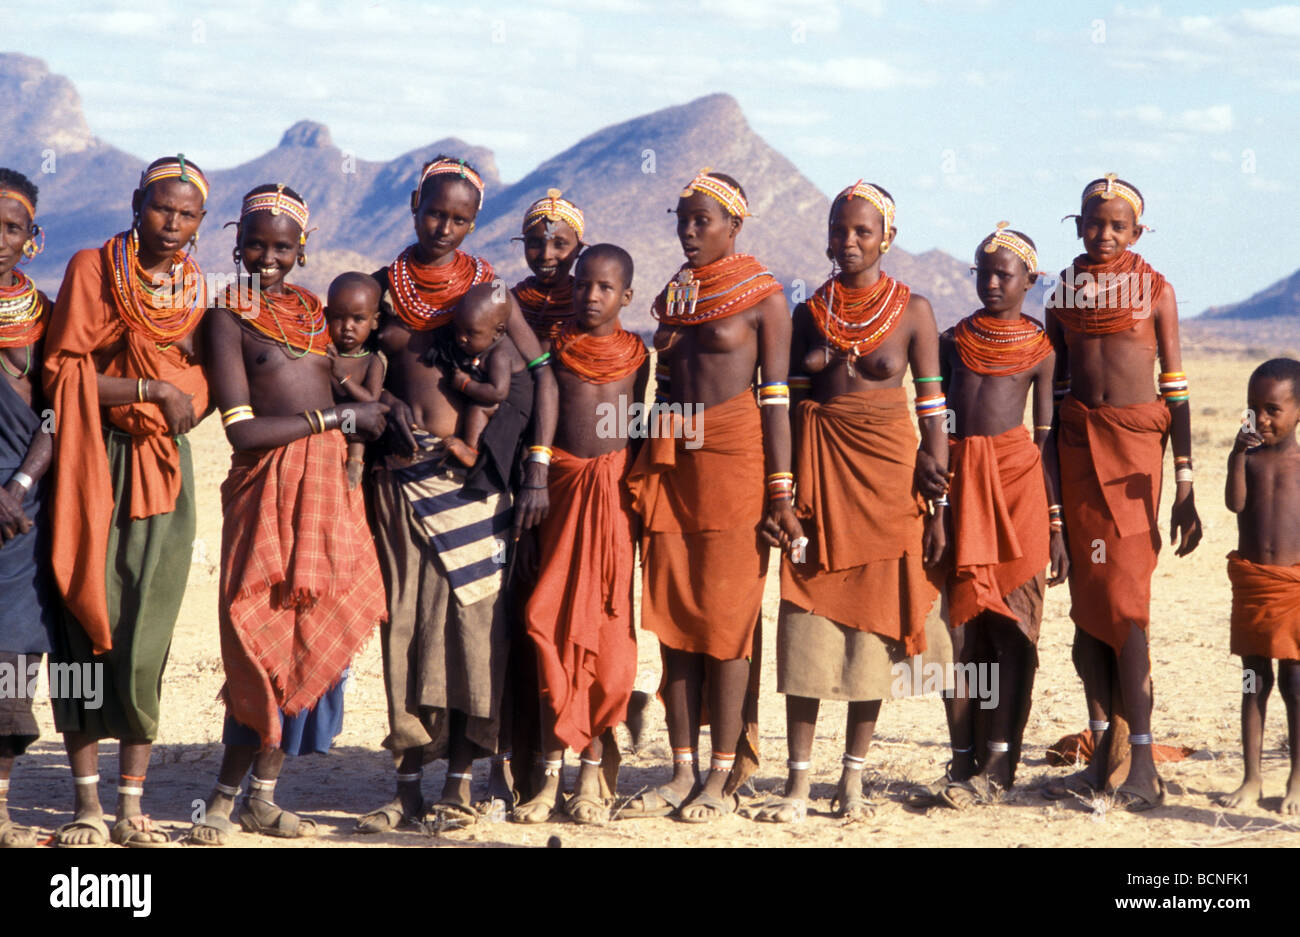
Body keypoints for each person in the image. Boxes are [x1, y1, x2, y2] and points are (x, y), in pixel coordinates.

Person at [186, 184, 389, 845]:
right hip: (265, 493)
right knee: (257, 645)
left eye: (281, 246)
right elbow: (242, 430)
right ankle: (221, 798)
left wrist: (378, 409)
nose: (266, 257)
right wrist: (335, 417)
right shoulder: (226, 318)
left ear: (301, 250)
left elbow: (350, 377)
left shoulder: (313, 311)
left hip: (326, 492)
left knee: (304, 638)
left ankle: (263, 799)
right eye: (254, 243)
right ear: (236, 241)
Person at [359, 156, 556, 828]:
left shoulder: (490, 291)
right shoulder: (382, 289)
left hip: (472, 489)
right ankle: (407, 782)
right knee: (406, 629)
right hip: (400, 482)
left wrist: (533, 467)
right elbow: (353, 367)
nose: (446, 227)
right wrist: (386, 401)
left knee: (474, 629)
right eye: (436, 211)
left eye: (463, 218)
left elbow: (541, 379)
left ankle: (461, 781)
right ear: (415, 202)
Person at [754, 180, 950, 824]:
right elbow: (781, 405)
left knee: (874, 630)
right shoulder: (807, 313)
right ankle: (797, 785)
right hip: (819, 484)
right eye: (839, 229)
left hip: (890, 486)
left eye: (862, 231)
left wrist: (938, 497)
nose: (848, 241)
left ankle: (854, 781)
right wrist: (782, 489)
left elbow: (932, 410)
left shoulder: (915, 311)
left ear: (886, 237)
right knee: (807, 621)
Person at [621, 169, 800, 822]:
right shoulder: (674, 294)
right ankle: (681, 768)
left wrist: (781, 491)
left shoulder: (764, 297)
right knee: (674, 616)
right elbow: (663, 386)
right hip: (675, 460)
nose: (690, 231)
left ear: (735, 226)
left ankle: (724, 774)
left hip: (736, 462)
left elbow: (777, 398)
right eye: (684, 220)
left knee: (726, 621)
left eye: (704, 221)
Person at [43, 155, 210, 847]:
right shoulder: (92, 266)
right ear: (137, 202)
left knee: (148, 630)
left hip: (165, 467)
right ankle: (86, 802)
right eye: (161, 208)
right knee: (83, 619)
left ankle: (131, 805)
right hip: (90, 457)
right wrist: (150, 392)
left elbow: (203, 374)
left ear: (200, 223)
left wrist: (185, 399)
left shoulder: (199, 286)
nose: (171, 223)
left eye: (187, 214)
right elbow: (64, 369)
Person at [1043, 174, 1202, 810]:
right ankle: (1103, 755)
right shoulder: (1062, 294)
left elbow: (1178, 389)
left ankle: (1144, 764)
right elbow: (1053, 397)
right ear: (1077, 223)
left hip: (1136, 459)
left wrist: (1184, 484)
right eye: (1092, 221)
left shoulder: (1156, 291)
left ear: (1137, 232)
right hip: (1079, 452)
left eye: (1117, 225)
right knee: (1089, 606)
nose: (1103, 234)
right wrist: (1052, 506)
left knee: (1127, 604)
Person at [512, 244, 647, 825]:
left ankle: (592, 773)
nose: (591, 296)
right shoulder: (554, 350)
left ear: (626, 296)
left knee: (607, 639)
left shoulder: (640, 356)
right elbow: (541, 415)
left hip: (614, 499)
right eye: (584, 285)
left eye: (605, 288)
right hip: (561, 496)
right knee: (552, 625)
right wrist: (537, 473)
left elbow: (639, 430)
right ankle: (547, 777)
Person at [934, 224, 1068, 808]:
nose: (990, 283)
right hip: (960, 487)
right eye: (982, 272)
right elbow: (935, 423)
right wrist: (936, 501)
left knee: (1012, 629)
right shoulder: (952, 341)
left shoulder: (1041, 350)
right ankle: (960, 757)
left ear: (1030, 281)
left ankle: (1000, 761)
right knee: (959, 631)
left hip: (1018, 491)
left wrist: (1057, 524)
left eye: (1003, 274)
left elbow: (1045, 439)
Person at [0, 169, 54, 848]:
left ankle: (1, 810)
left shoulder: (47, 317)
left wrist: (16, 489)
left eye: (10, 226)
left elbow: (56, 408)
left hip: (20, 515)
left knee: (11, 657)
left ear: (32, 238)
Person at [1221, 358, 1300, 816]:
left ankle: (1296, 778)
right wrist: (1235, 456)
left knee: (1295, 683)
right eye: (1254, 408)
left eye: (1273, 409)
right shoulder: (1247, 460)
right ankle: (1251, 778)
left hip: (1292, 587)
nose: (1262, 419)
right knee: (1254, 681)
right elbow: (1235, 505)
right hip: (1253, 583)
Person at [437, 286, 525, 469]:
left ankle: (472, 451)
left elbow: (498, 392)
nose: (461, 338)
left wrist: (465, 384)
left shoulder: (500, 354)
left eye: (471, 333)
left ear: (498, 331)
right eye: (458, 331)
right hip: (506, 406)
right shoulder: (487, 346)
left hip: (516, 410)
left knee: (479, 408)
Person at [324, 271, 386, 490]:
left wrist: (342, 376)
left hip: (355, 424)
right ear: (327, 316)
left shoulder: (371, 362)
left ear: (374, 321)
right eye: (339, 318)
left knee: (355, 428)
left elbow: (370, 400)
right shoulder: (324, 353)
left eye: (358, 319)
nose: (347, 326)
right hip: (326, 425)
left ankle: (355, 463)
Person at [512, 189, 584, 348]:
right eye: (535, 244)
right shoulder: (510, 301)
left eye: (559, 244)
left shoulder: (588, 303)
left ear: (578, 249)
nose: (546, 255)